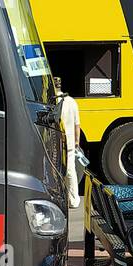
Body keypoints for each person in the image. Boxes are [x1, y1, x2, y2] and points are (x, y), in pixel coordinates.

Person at [54, 76, 83, 210]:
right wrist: (77, 141)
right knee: (70, 171)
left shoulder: (53, 102)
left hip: (57, 144)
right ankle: (73, 199)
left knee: (56, 172)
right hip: (70, 143)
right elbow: (77, 125)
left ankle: (60, 198)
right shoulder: (72, 101)